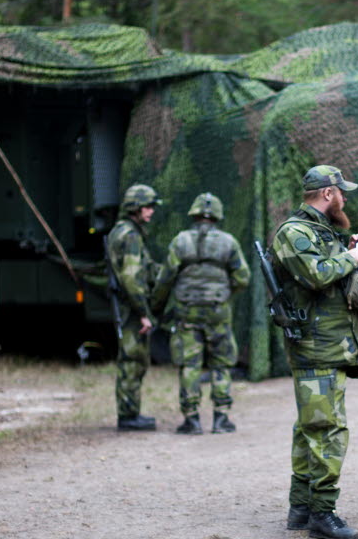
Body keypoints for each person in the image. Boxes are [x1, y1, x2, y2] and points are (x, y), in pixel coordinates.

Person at [270, 165, 358, 539]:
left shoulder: (317, 231)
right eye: (341, 191)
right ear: (327, 193)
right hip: (316, 346)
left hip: (326, 344)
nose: (345, 197)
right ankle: (322, 514)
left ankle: (301, 507)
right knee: (327, 430)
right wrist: (354, 260)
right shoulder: (294, 232)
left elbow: (323, 270)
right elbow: (315, 274)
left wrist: (346, 250)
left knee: (309, 428)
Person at [153, 193, 251, 435]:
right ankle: (221, 419)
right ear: (216, 216)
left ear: (194, 215)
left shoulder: (180, 241)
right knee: (221, 363)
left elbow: (165, 279)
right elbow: (243, 278)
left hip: (187, 312)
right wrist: (225, 295)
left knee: (190, 364)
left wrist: (158, 305)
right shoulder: (228, 242)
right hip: (218, 311)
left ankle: (192, 420)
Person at [107, 183, 163, 431]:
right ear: (135, 208)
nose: (151, 211)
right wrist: (143, 313)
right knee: (133, 360)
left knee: (133, 359)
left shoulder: (124, 232)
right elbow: (131, 277)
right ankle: (128, 416)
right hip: (132, 309)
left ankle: (130, 413)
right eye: (147, 206)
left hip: (129, 307)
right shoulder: (130, 235)